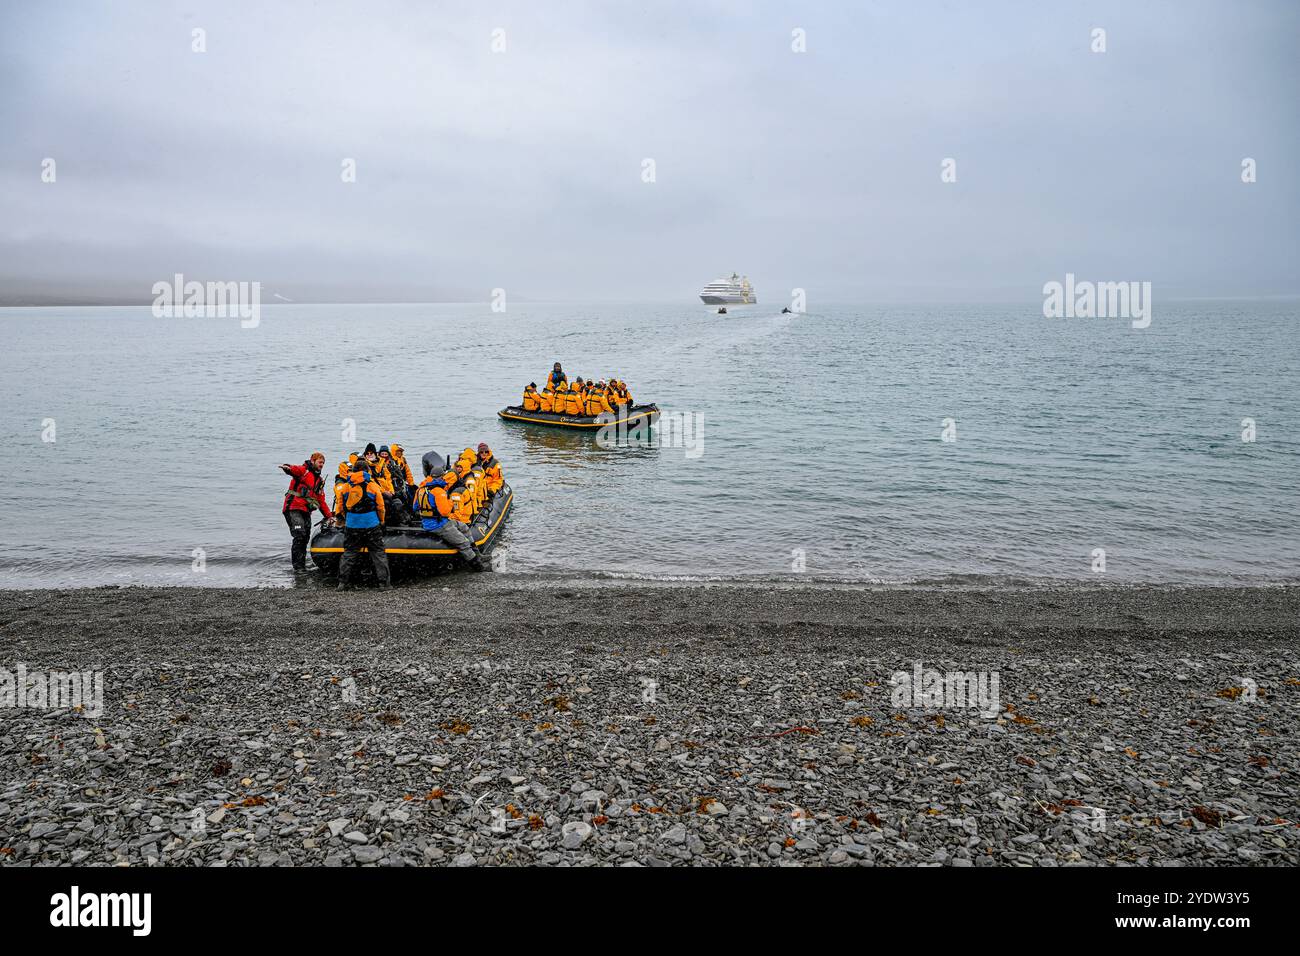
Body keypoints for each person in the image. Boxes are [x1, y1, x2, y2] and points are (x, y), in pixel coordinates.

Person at [335, 458, 390, 590]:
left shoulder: (346, 486)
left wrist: (347, 519)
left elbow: (340, 508)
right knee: (378, 553)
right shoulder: (372, 486)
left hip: (352, 525)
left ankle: (342, 583)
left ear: (353, 471)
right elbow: (381, 507)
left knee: (349, 553)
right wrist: (381, 521)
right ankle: (383, 584)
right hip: (371, 524)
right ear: (367, 471)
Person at [413, 473, 486, 570]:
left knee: (463, 527)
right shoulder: (438, 491)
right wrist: (450, 502)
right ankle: (478, 567)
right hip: (439, 525)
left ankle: (478, 555)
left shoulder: (420, 490)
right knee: (463, 543)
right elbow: (445, 512)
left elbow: (415, 507)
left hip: (429, 522)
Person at [279, 453, 333, 572]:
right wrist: (287, 468)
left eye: (323, 463)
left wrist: (329, 516)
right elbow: (294, 470)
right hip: (293, 509)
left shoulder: (319, 481)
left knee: (305, 537)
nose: (321, 465)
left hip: (305, 511)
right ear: (312, 461)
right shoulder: (304, 471)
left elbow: (321, 501)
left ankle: (301, 565)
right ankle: (298, 568)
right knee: (299, 535)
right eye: (320, 462)